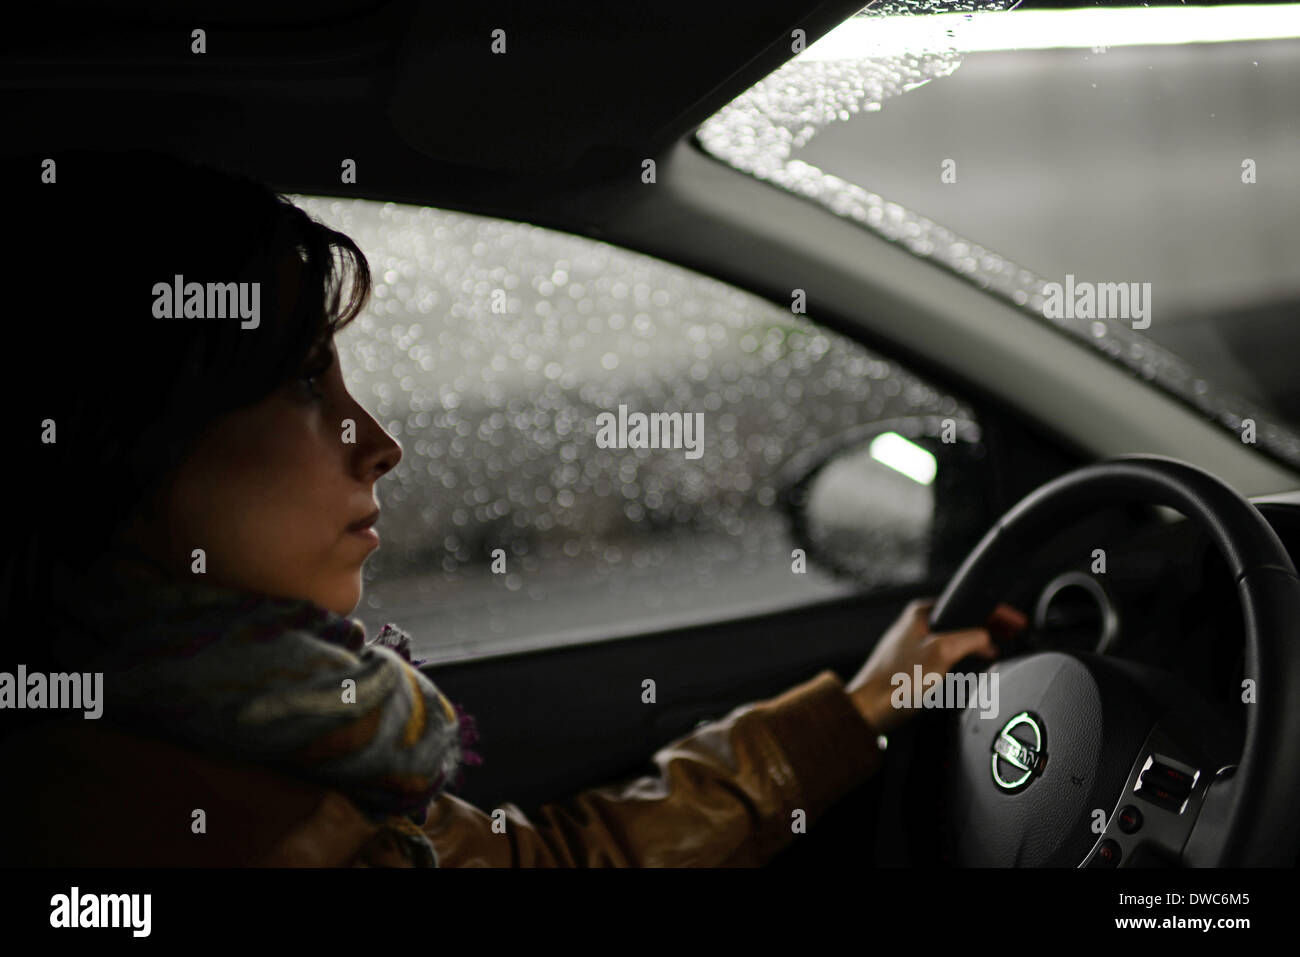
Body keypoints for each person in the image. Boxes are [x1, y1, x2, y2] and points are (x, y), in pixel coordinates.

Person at [0, 150, 1023, 866]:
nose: (378, 444)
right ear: (125, 437)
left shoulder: (255, 729)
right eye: (304, 384)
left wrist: (852, 711)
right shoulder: (159, 815)